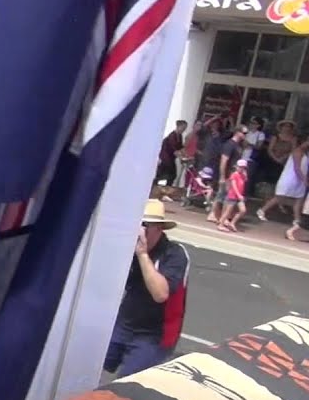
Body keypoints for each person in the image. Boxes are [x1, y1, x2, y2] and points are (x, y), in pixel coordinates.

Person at [103, 199, 190, 378]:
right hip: (124, 324)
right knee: (89, 365)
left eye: (145, 225)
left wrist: (142, 254)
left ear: (159, 228)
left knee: (127, 384)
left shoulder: (174, 254)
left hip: (154, 335)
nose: (139, 231)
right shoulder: (128, 248)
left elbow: (160, 294)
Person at [257, 134, 309, 225]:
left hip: (300, 179)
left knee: (299, 199)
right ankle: (262, 210)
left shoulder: (306, 153)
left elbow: (304, 167)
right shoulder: (297, 152)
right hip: (290, 178)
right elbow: (297, 167)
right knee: (279, 197)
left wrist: (305, 178)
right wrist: (304, 179)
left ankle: (297, 219)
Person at [206, 125, 246, 224]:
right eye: (244, 133)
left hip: (233, 175)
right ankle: (214, 214)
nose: (245, 135)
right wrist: (222, 176)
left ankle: (216, 214)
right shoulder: (229, 145)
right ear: (237, 132)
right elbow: (224, 160)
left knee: (224, 196)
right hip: (228, 175)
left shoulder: (238, 145)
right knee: (222, 196)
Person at [217, 158, 249, 232]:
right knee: (228, 211)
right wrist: (239, 195)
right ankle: (220, 224)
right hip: (233, 196)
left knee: (243, 210)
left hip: (239, 197)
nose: (241, 169)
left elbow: (245, 180)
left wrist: (245, 174)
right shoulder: (234, 175)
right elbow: (234, 186)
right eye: (240, 167)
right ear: (236, 167)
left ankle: (233, 223)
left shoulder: (242, 175)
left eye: (243, 168)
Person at [156, 120, 186, 187]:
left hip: (171, 159)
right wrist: (182, 158)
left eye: (185, 128)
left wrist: (184, 154)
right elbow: (174, 150)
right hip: (165, 158)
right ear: (178, 126)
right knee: (163, 175)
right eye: (183, 128)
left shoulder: (180, 136)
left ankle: (167, 188)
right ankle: (154, 187)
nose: (183, 130)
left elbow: (180, 147)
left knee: (172, 176)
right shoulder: (172, 136)